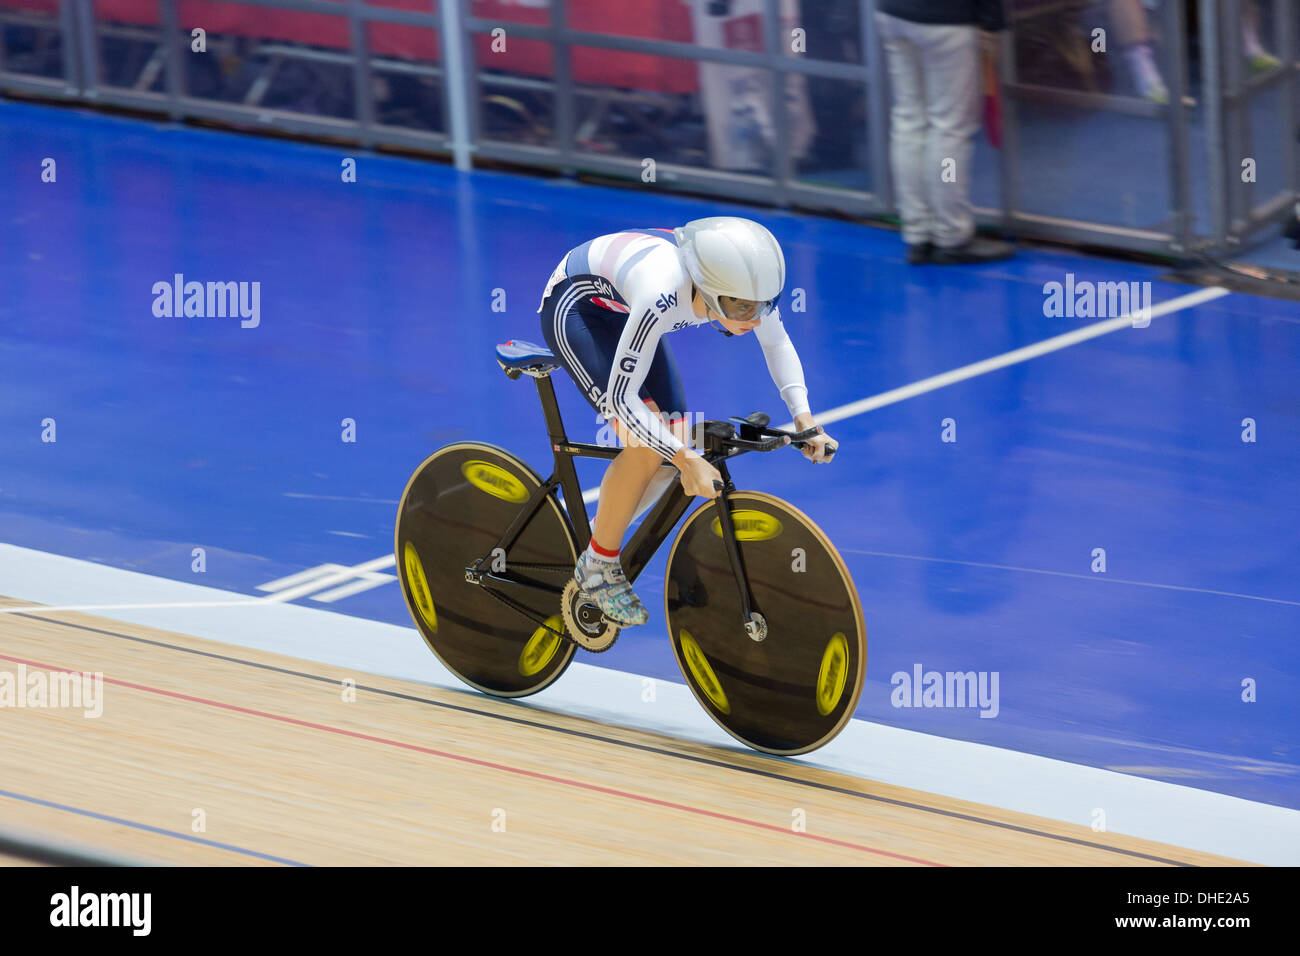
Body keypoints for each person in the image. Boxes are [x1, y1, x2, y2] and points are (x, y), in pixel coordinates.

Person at [537, 217, 838, 626]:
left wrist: (805, 420)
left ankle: (598, 529)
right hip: (579, 310)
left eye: (764, 305)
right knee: (647, 444)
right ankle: (597, 565)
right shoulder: (662, 293)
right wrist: (683, 459)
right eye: (742, 308)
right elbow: (624, 399)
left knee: (670, 435)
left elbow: (777, 342)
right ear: (709, 290)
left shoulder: (744, 290)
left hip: (624, 308)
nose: (755, 317)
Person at [875, 0, 1016, 264]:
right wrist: (992, 23)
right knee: (949, 128)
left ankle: (917, 233)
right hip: (947, 18)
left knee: (908, 120)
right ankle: (951, 235)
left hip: (892, 13)